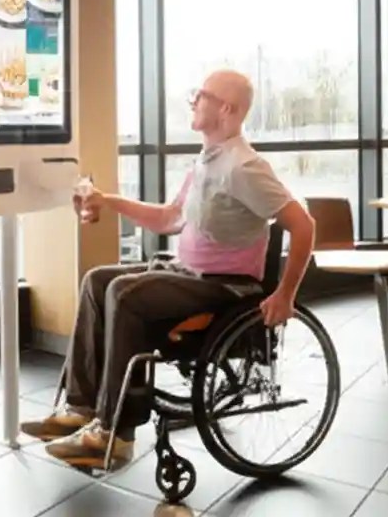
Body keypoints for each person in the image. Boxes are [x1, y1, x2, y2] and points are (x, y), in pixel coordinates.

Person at [21, 69, 316, 470]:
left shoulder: (245, 167)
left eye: (202, 95)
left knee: (125, 293)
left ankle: (116, 433)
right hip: (188, 275)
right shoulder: (207, 163)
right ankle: (80, 407)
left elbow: (303, 225)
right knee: (97, 280)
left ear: (226, 108)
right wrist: (108, 200)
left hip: (227, 287)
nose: (193, 101)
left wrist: (285, 295)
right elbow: (168, 218)